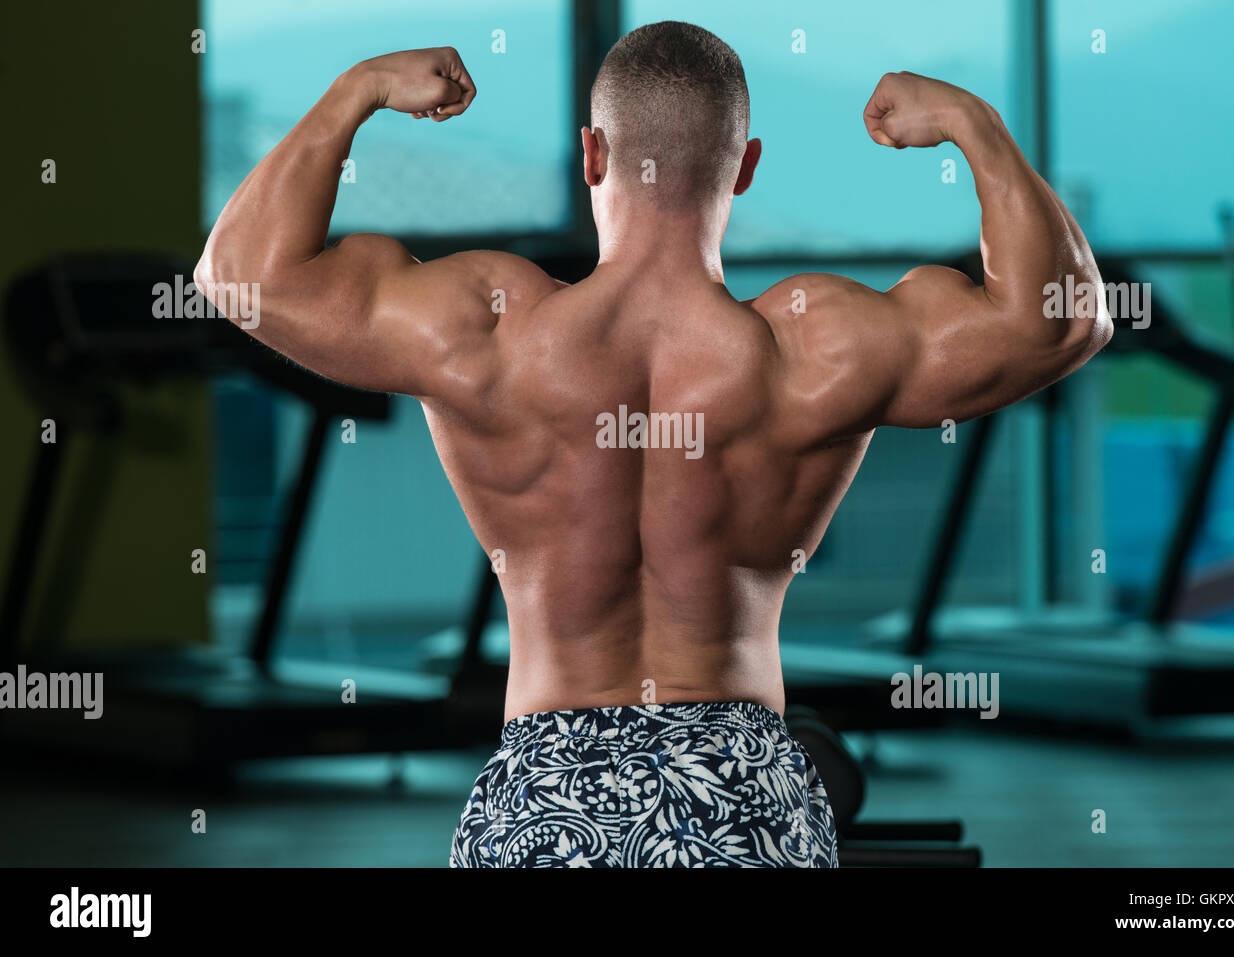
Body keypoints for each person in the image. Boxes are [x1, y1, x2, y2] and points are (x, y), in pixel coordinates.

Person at [196, 21, 1112, 867]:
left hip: (541, 795)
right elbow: (1062, 323)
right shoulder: (815, 348)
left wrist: (357, 90)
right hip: (744, 795)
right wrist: (974, 125)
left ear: (590, 154)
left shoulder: (487, 328)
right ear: (745, 166)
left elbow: (237, 275)